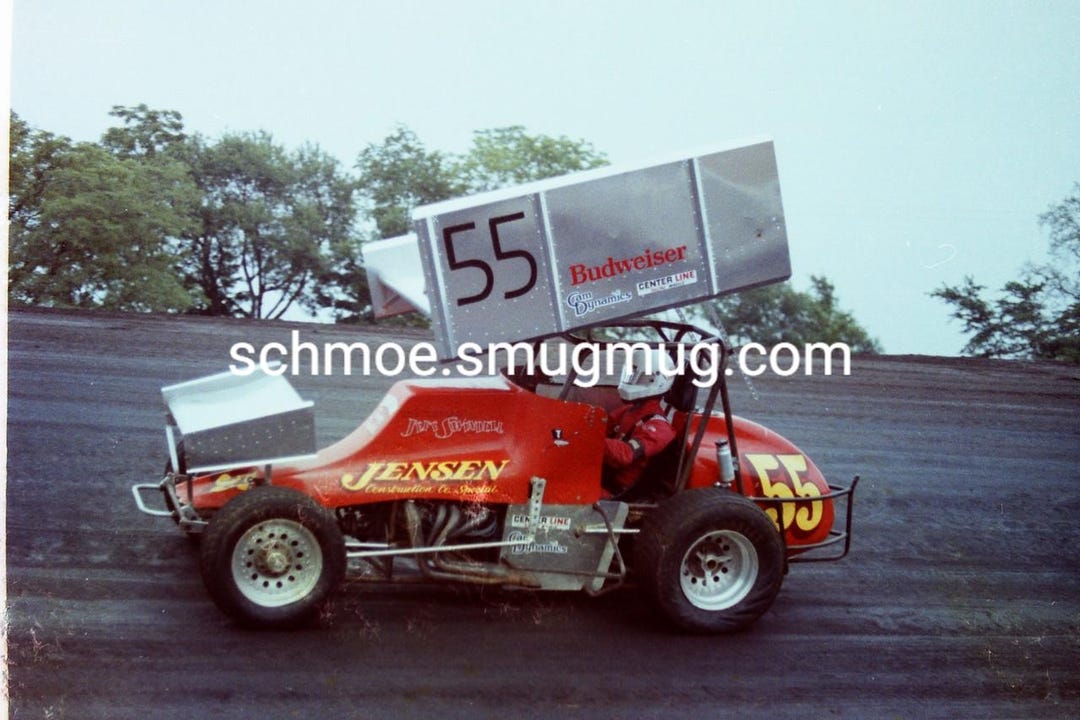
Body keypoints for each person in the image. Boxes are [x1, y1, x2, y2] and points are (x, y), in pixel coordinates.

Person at [602, 348, 677, 495]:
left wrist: (589, 440)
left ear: (656, 380)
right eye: (630, 374)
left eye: (639, 377)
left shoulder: (659, 427)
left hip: (620, 493)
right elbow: (598, 425)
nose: (632, 380)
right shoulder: (629, 410)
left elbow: (626, 454)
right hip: (603, 475)